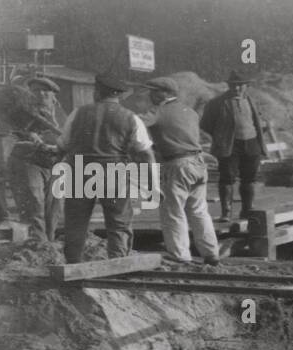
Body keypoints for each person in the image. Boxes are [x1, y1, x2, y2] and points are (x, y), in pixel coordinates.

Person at [58, 73, 156, 264]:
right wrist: (152, 185)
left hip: (80, 171)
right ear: (118, 96)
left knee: (75, 222)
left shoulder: (77, 113)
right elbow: (146, 154)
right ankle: (118, 265)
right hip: (114, 172)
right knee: (118, 222)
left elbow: (63, 145)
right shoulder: (131, 118)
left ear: (97, 92)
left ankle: (73, 265)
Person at [144, 77, 220, 266]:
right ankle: (211, 253)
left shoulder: (158, 111)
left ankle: (180, 256)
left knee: (173, 211)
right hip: (198, 163)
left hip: (177, 165)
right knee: (199, 211)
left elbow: (134, 124)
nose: (150, 95)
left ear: (164, 93)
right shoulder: (190, 112)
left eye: (153, 91)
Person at [200, 70, 267, 222]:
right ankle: (226, 212)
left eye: (239, 85)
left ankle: (247, 209)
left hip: (251, 143)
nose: (236, 88)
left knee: (249, 178)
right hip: (229, 146)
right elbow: (206, 124)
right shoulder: (216, 103)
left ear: (247, 86)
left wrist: (262, 128)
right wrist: (221, 136)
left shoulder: (252, 101)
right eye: (232, 85)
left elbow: (261, 121)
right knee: (227, 178)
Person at [6, 76, 65, 244]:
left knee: (54, 209)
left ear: (54, 95)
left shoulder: (60, 114)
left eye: (45, 91)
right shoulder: (20, 112)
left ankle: (49, 246)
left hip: (55, 164)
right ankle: (39, 246)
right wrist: (28, 135)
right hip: (29, 162)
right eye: (36, 91)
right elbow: (11, 133)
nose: (40, 94)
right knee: (34, 204)